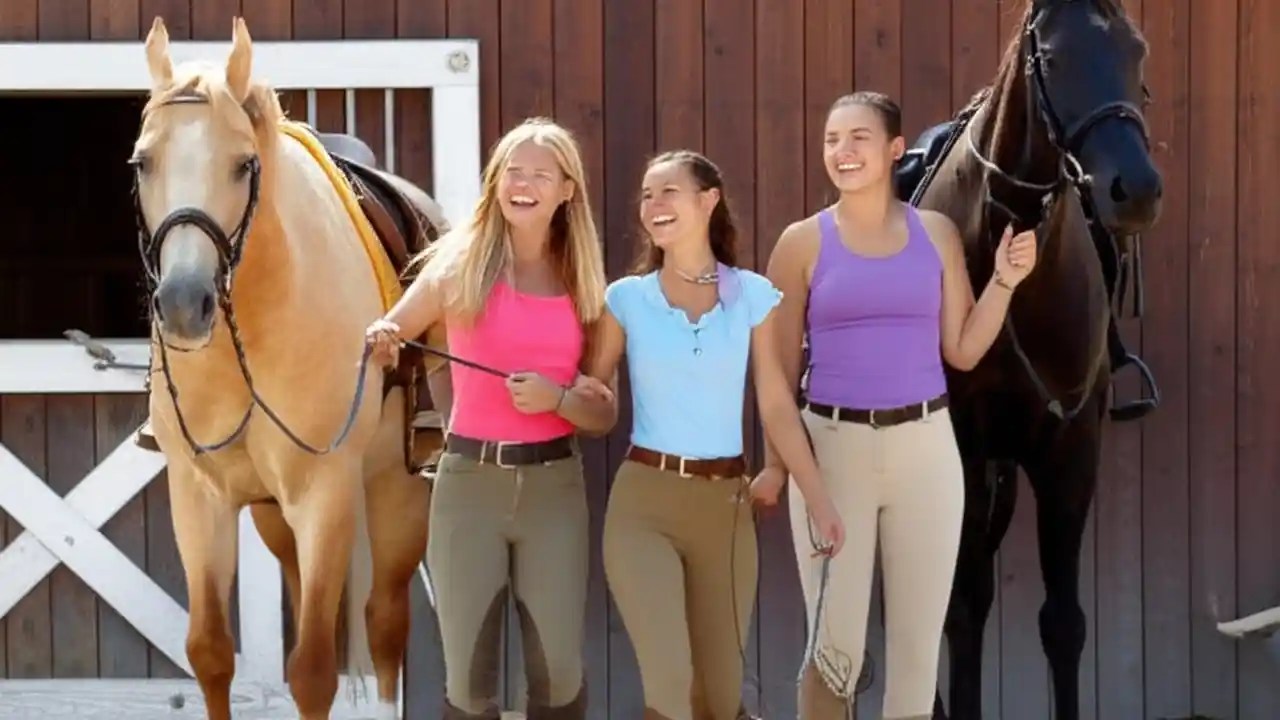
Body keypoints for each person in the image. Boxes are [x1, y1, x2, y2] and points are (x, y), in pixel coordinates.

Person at [754, 91, 1039, 719]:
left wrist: (1005, 282)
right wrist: (784, 468)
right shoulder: (800, 244)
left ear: (893, 150)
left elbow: (962, 350)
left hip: (926, 451)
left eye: (858, 137)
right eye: (832, 139)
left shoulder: (934, 234)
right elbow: (776, 376)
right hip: (832, 449)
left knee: (916, 654)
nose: (842, 151)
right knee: (836, 649)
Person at [365, 117, 616, 720]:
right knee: (468, 677)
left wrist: (557, 400)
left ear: (566, 191)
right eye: (512, 171)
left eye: (539, 174)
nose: (522, 184)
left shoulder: (584, 283)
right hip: (468, 488)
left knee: (556, 673)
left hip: (555, 489)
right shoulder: (458, 265)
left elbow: (602, 412)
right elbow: (396, 326)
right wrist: (381, 336)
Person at [584, 149, 845, 720]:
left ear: (708, 200)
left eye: (668, 191)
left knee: (721, 699)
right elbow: (596, 396)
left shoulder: (751, 295)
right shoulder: (625, 299)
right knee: (671, 684)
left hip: (725, 511)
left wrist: (816, 498)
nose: (654, 205)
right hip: (642, 504)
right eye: (647, 196)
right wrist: (563, 397)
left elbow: (776, 403)